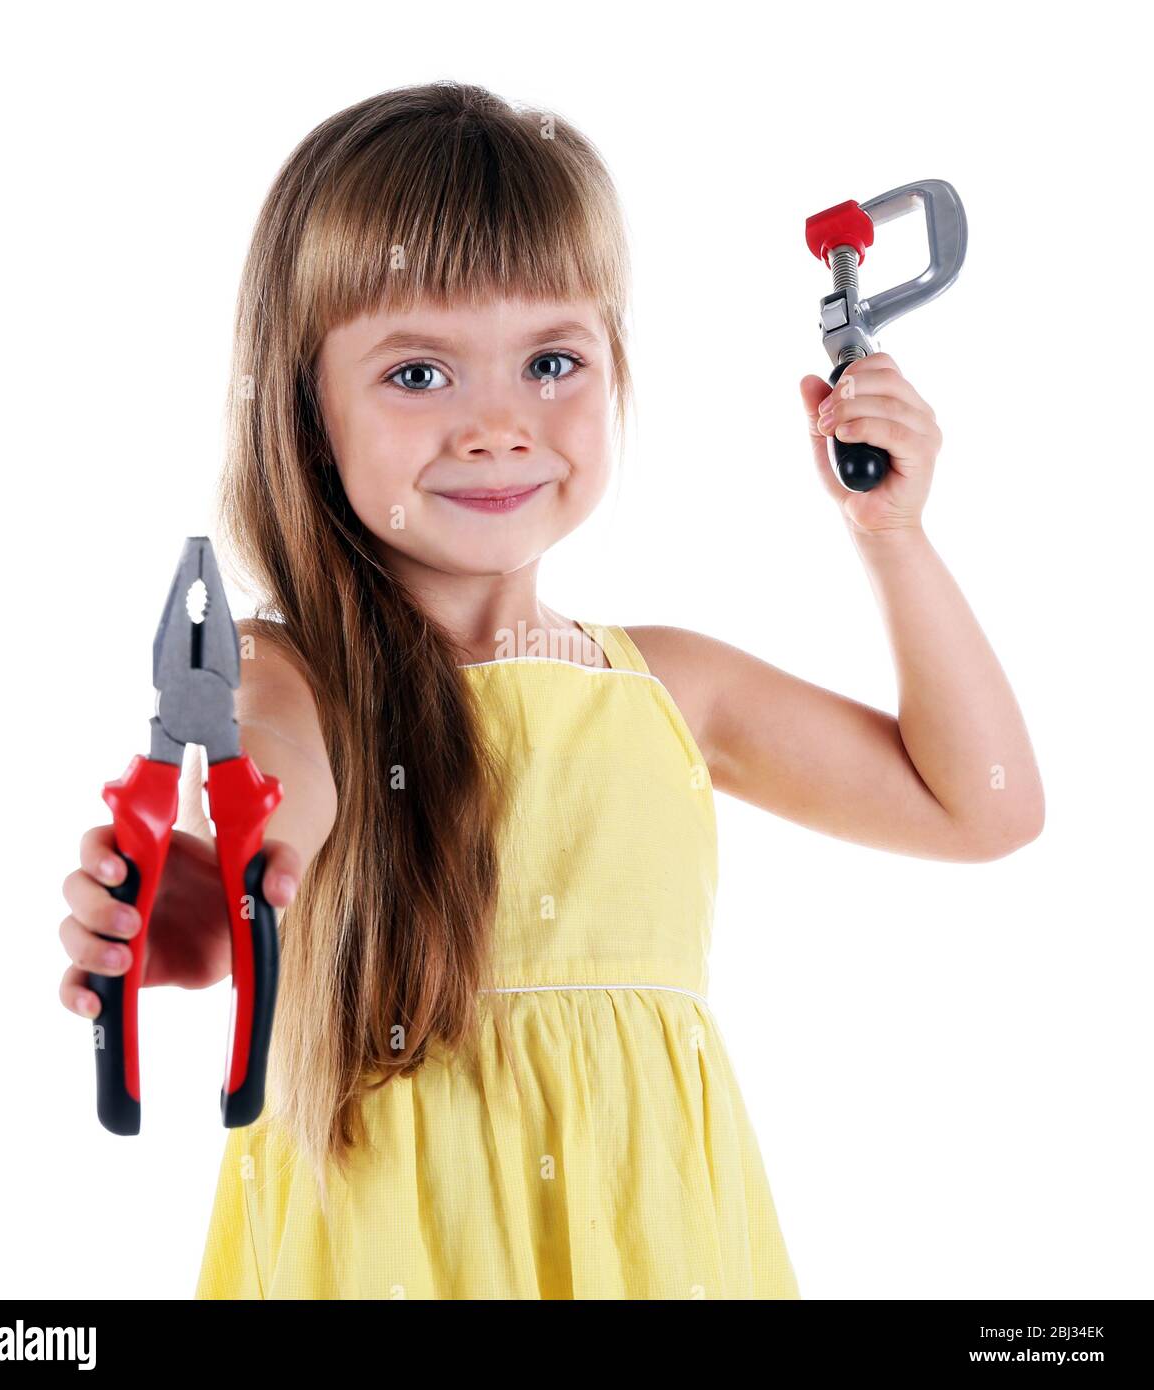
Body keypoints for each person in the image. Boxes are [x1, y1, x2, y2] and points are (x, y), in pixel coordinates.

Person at [58, 81, 1044, 1300]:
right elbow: (279, 785)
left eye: (551, 361)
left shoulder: (669, 686)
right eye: (419, 376)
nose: (497, 427)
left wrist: (893, 534)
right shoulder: (293, 670)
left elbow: (982, 804)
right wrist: (232, 885)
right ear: (310, 409)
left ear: (614, 369)